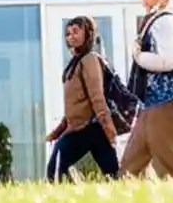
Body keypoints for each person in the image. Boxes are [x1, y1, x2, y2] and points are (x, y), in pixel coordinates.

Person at [121, 0, 173, 179]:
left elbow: (169, 60)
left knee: (171, 163)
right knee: (130, 165)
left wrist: (138, 55)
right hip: (151, 103)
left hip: (166, 102)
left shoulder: (167, 21)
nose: (143, 0)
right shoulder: (156, 20)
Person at [46, 16, 120, 181]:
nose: (71, 36)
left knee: (55, 171)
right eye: (68, 33)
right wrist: (58, 131)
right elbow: (74, 105)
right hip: (80, 129)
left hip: (90, 128)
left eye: (76, 32)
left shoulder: (89, 60)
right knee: (114, 175)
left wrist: (109, 130)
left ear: (88, 34)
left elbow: (97, 97)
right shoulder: (75, 63)